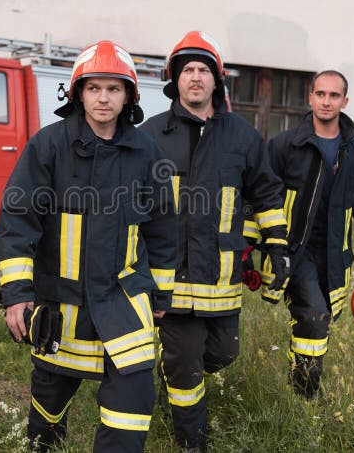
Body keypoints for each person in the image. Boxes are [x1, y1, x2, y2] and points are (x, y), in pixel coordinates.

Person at [0, 40, 176, 452]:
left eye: (114, 89)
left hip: (124, 300)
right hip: (62, 304)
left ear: (129, 95)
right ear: (78, 92)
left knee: (133, 402)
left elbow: (163, 228)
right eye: (94, 88)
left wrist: (162, 292)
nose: (103, 98)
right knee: (47, 413)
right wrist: (17, 295)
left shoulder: (147, 152)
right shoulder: (49, 146)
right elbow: (18, 222)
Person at [139, 31, 290, 452]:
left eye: (203, 70)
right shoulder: (151, 136)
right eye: (187, 69)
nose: (195, 77)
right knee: (186, 364)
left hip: (222, 281)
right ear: (175, 78)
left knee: (223, 354)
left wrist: (276, 245)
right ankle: (192, 441)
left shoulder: (240, 136)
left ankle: (173, 375)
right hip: (170, 279)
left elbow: (266, 192)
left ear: (216, 80)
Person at [266, 70, 354, 399]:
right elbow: (261, 197)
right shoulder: (285, 146)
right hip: (296, 253)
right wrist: (251, 252)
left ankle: (299, 380)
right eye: (320, 94)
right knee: (315, 317)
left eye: (334, 96)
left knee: (319, 320)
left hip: (334, 256)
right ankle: (307, 393)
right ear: (310, 97)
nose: (326, 101)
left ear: (345, 102)